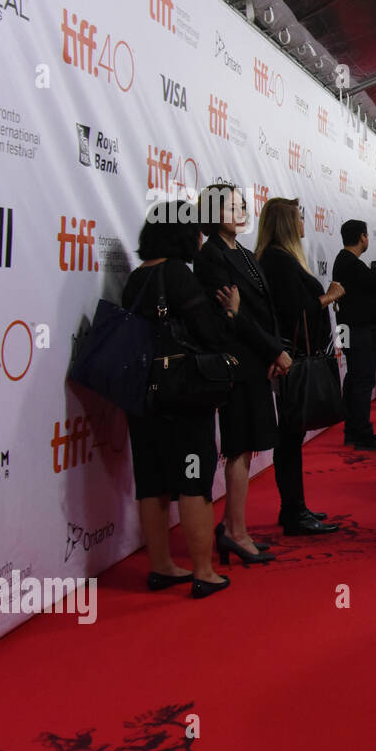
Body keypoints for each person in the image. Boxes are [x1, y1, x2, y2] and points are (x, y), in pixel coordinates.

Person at [125, 202, 237, 598]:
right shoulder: (177, 273)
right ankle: (203, 571)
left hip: (142, 395)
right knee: (194, 481)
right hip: (184, 395)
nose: (200, 236)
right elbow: (209, 334)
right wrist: (229, 314)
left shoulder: (137, 277)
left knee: (152, 483)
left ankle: (161, 567)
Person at [194, 184, 284, 567]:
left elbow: (259, 309)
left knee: (249, 445)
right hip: (236, 362)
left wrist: (273, 349)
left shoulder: (245, 253)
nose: (240, 210)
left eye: (242, 204)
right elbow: (232, 317)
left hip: (257, 358)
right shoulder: (210, 256)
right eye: (231, 206)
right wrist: (273, 349)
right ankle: (235, 532)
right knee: (239, 444)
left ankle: (233, 526)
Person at [255, 197, 343, 535]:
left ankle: (295, 508)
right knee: (290, 437)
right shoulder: (279, 260)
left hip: (286, 357)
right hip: (289, 359)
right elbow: (296, 309)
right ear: (288, 224)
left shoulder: (279, 258)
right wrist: (330, 296)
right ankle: (293, 512)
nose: (305, 224)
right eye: (300, 218)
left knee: (292, 437)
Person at [334, 219, 376, 450]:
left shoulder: (347, 261)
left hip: (350, 329)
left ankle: (353, 430)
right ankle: (362, 434)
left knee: (355, 379)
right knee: (361, 381)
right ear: (363, 237)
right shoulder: (350, 262)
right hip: (358, 331)